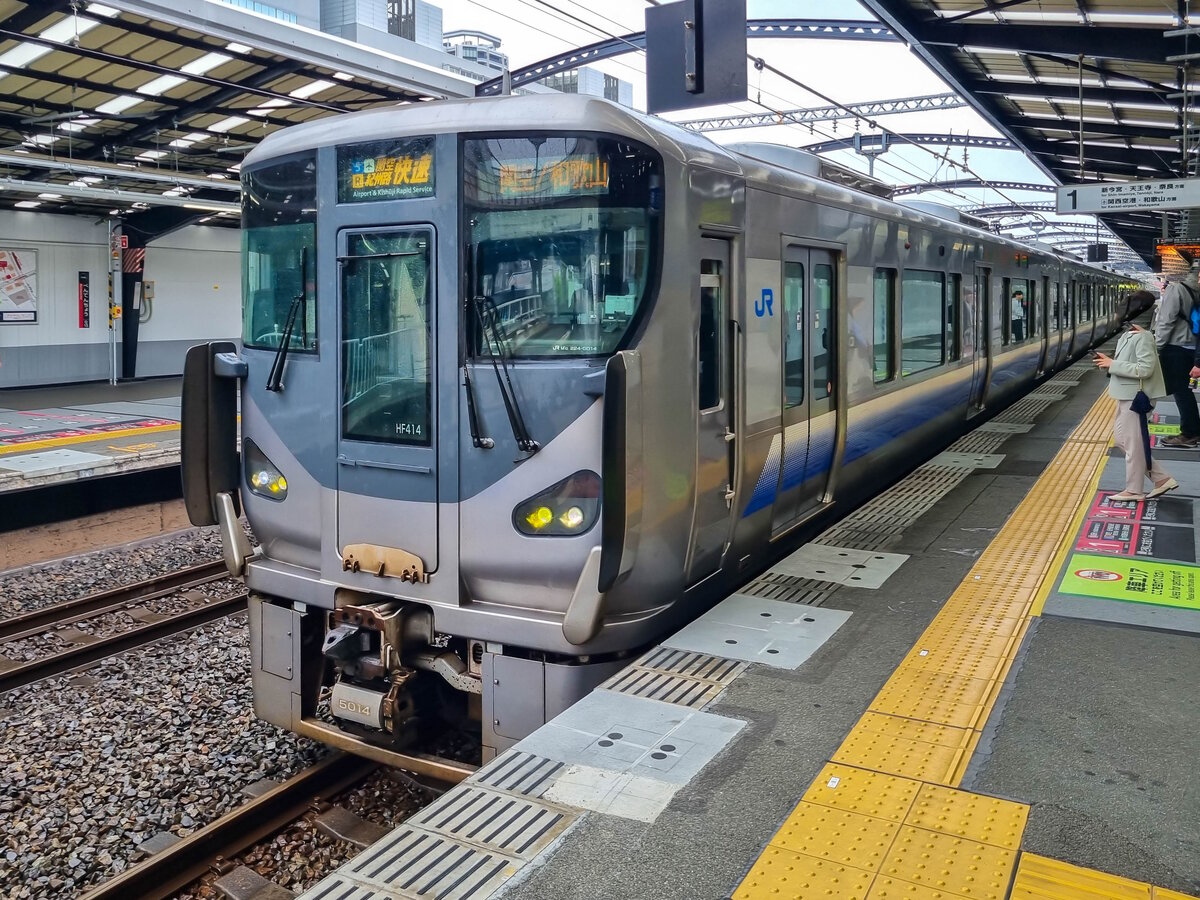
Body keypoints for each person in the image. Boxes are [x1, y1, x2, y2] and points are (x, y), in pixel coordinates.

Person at [1094, 323, 1178, 501]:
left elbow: (1145, 369)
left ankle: (1134, 490)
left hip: (1136, 397)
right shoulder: (1128, 335)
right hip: (1125, 395)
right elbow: (1128, 363)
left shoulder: (1143, 337)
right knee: (1122, 440)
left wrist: (1113, 364)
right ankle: (1161, 478)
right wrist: (1108, 364)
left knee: (1132, 444)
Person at [1153, 270, 1200, 447]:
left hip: (1176, 347)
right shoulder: (1196, 290)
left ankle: (1190, 433)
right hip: (1194, 346)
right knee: (1185, 390)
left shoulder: (1177, 289)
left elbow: (1166, 321)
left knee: (1181, 391)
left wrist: (1157, 347)